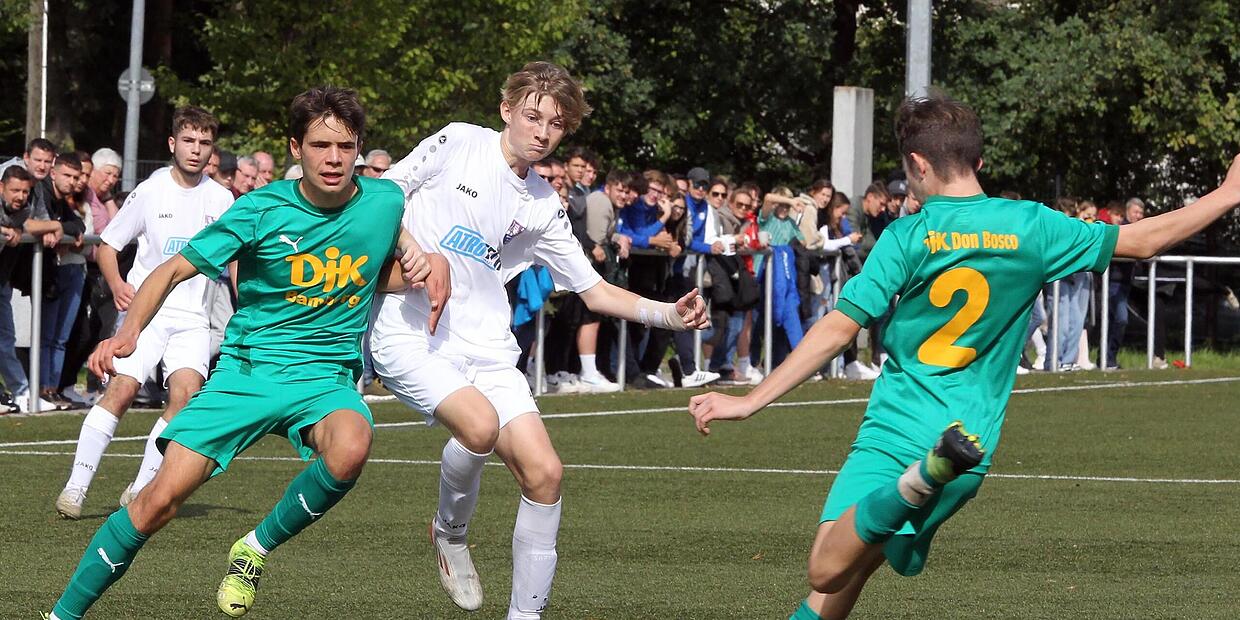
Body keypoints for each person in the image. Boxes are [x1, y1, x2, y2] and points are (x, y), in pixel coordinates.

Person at [688, 94, 1240, 620]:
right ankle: (925, 477)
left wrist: (750, 400)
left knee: (827, 568)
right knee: (855, 572)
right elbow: (1142, 241)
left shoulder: (910, 234)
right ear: (978, 160)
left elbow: (837, 328)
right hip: (971, 443)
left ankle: (917, 478)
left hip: (902, 430)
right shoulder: (1033, 225)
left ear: (917, 163)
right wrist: (1225, 194)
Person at [42, 86, 437, 620]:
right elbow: (172, 269)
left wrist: (427, 264)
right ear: (295, 148)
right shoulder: (258, 209)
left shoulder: (386, 202)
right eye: (320, 145)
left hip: (323, 380)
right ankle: (61, 615)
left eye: (345, 146)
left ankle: (252, 549)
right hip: (246, 374)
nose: (334, 158)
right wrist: (126, 334)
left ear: (359, 150)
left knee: (353, 443)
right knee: (155, 504)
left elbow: (383, 260)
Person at [373, 61, 708, 620]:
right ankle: (450, 534)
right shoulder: (458, 143)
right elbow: (382, 194)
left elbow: (596, 293)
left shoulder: (542, 205)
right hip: (411, 334)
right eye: (531, 116)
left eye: (554, 124)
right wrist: (410, 248)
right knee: (478, 427)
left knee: (546, 475)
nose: (541, 131)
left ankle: (525, 616)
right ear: (507, 110)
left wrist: (670, 316)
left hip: (486, 345)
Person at [54, 107, 235, 519]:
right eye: (188, 141)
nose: (196, 150)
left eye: (204, 143)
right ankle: (76, 487)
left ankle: (139, 487)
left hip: (193, 320)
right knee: (121, 390)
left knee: (185, 398)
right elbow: (108, 245)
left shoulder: (222, 199)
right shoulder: (151, 191)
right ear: (173, 144)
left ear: (212, 150)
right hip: (146, 315)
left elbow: (238, 256)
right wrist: (118, 285)